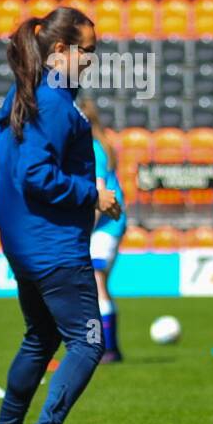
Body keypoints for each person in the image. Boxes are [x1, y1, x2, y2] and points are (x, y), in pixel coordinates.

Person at [0, 7, 120, 424]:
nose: (93, 61)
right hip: (55, 247)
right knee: (87, 342)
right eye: (89, 51)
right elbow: (36, 175)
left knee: (40, 338)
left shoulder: (18, 98)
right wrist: (93, 195)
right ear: (60, 50)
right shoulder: (56, 106)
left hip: (24, 244)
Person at [80, 98, 126, 363]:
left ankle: (106, 348)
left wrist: (84, 230)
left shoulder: (93, 149)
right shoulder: (100, 146)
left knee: (97, 284)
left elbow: (99, 195)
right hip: (110, 224)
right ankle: (108, 347)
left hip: (104, 225)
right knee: (100, 285)